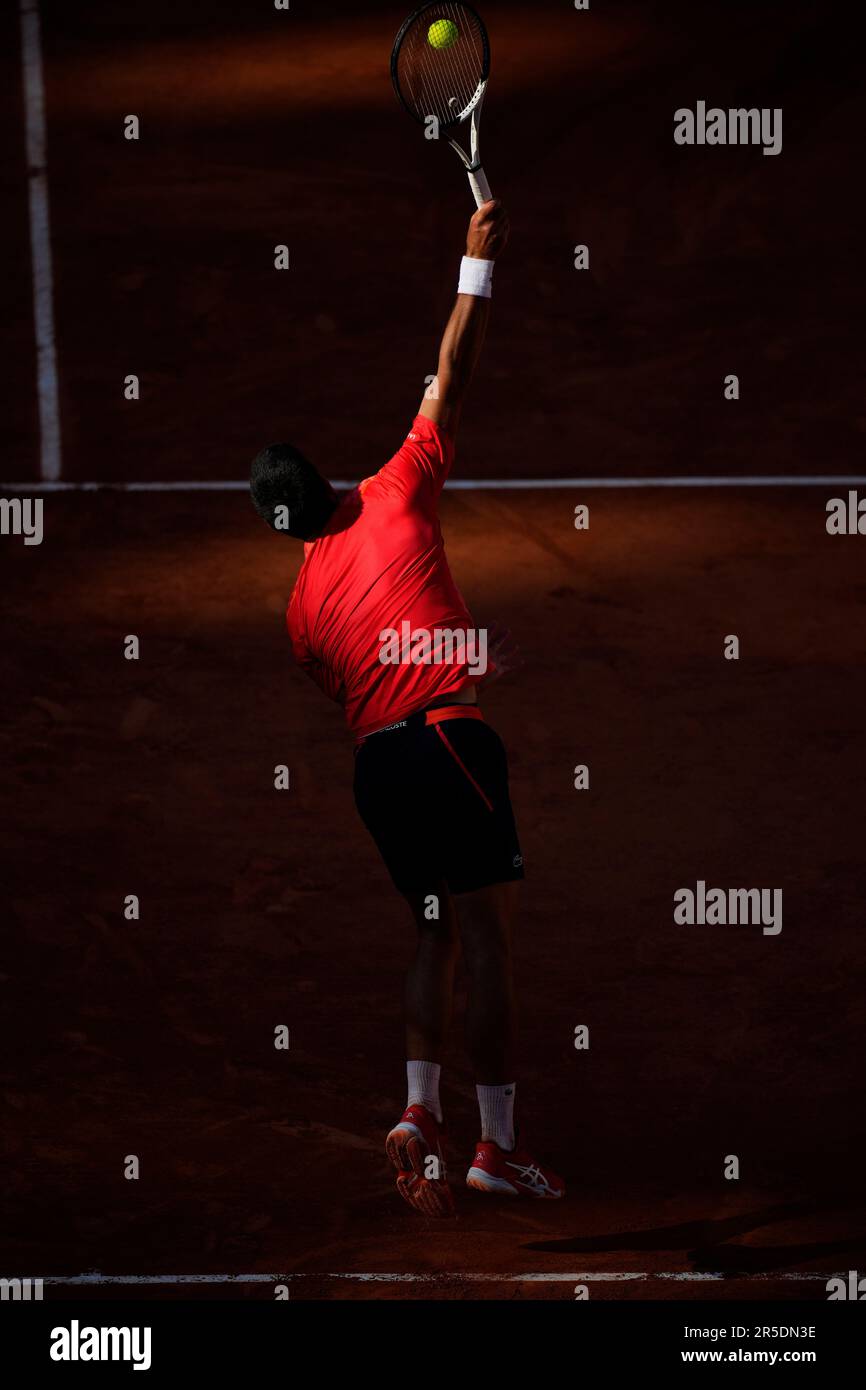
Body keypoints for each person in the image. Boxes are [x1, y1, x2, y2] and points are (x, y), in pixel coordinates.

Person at [250, 200, 563, 1214]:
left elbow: (349, 671)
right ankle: (496, 1148)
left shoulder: (299, 611)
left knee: (431, 931)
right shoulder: (392, 490)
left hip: (378, 773)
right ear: (328, 480)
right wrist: (474, 265)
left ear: (278, 525)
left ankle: (419, 1107)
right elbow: (454, 369)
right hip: (449, 743)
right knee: (491, 944)